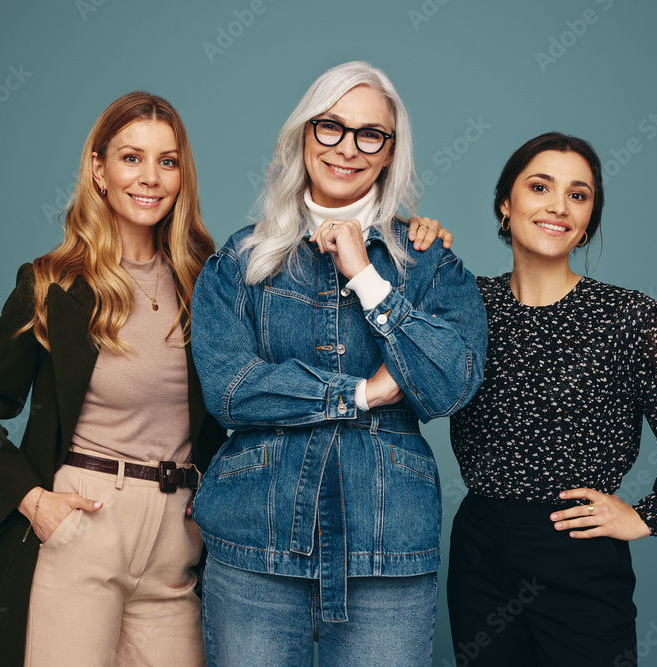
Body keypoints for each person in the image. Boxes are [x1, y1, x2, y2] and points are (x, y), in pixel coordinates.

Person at [189, 61, 487, 666]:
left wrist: (368, 279)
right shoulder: (239, 263)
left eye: (369, 134)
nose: (347, 148)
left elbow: (450, 385)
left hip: (387, 546)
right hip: (256, 543)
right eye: (330, 127)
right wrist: (361, 393)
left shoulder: (431, 264)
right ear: (303, 133)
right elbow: (230, 392)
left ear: (388, 153)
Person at [447, 132, 657, 666]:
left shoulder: (628, 318)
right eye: (540, 186)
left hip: (576, 550)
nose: (558, 206)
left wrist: (648, 514)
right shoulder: (467, 305)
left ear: (589, 218)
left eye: (579, 194)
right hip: (478, 546)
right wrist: (415, 237)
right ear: (506, 202)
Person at [0, 92, 228, 667]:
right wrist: (34, 503)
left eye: (167, 161)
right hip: (85, 526)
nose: (150, 178)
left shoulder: (211, 283)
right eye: (131, 158)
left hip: (178, 539)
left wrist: (410, 236)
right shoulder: (52, 285)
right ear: (98, 169)